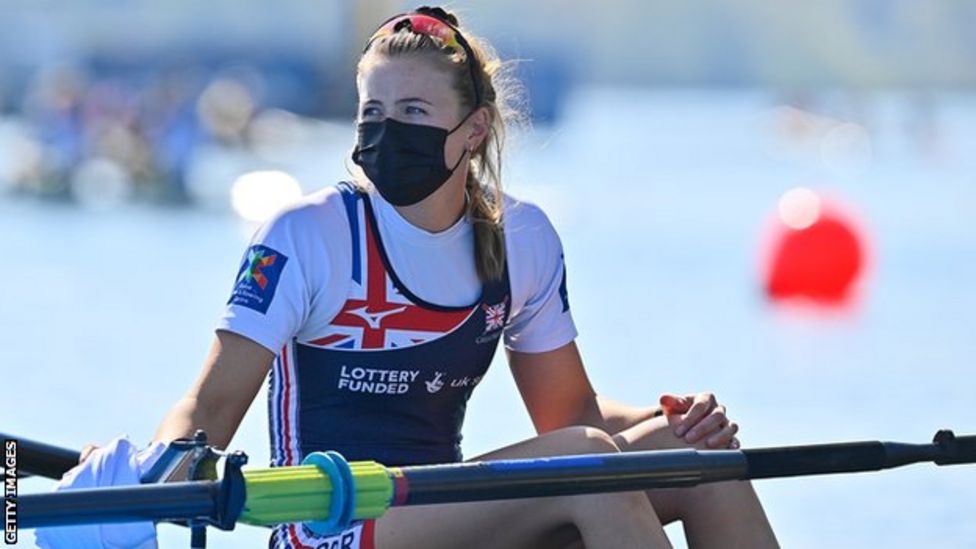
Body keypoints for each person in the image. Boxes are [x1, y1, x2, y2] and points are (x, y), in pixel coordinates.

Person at [78, 6, 778, 548]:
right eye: (373, 114)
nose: (387, 131)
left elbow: (571, 418)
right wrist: (156, 471)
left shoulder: (520, 239)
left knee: (700, 457)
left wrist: (677, 419)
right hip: (332, 523)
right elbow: (208, 411)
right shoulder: (307, 235)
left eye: (413, 113)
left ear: (473, 130)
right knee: (592, 467)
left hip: (443, 509)